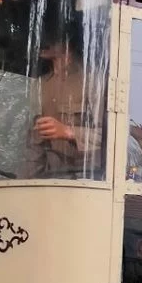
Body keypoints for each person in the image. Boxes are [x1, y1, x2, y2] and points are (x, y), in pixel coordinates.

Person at [22, 35, 104, 178]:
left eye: (51, 34)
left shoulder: (93, 80)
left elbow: (111, 137)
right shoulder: (40, 85)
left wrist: (68, 132)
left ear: (67, 42)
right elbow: (35, 142)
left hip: (88, 180)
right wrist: (27, 182)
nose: (42, 40)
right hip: (50, 181)